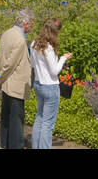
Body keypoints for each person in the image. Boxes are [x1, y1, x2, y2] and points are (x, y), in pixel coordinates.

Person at [0, 9, 35, 149]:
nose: (32, 26)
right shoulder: (20, 40)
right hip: (15, 83)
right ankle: (16, 145)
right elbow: (11, 64)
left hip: (6, 84)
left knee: (6, 115)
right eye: (31, 23)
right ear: (26, 23)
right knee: (16, 118)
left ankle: (5, 143)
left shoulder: (7, 33)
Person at [30, 18, 71, 149]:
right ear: (54, 32)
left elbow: (32, 64)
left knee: (39, 119)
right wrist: (63, 59)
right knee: (48, 124)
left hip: (38, 84)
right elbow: (54, 71)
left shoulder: (33, 44)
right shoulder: (48, 48)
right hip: (50, 87)